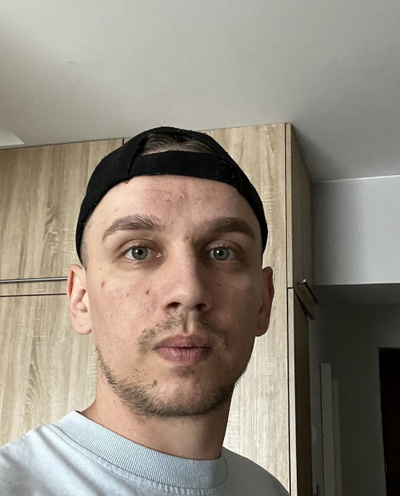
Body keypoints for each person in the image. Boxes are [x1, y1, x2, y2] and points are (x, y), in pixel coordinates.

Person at [0, 126, 288, 495]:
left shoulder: (269, 490)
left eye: (223, 252)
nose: (188, 291)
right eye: (138, 251)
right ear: (81, 299)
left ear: (263, 301)